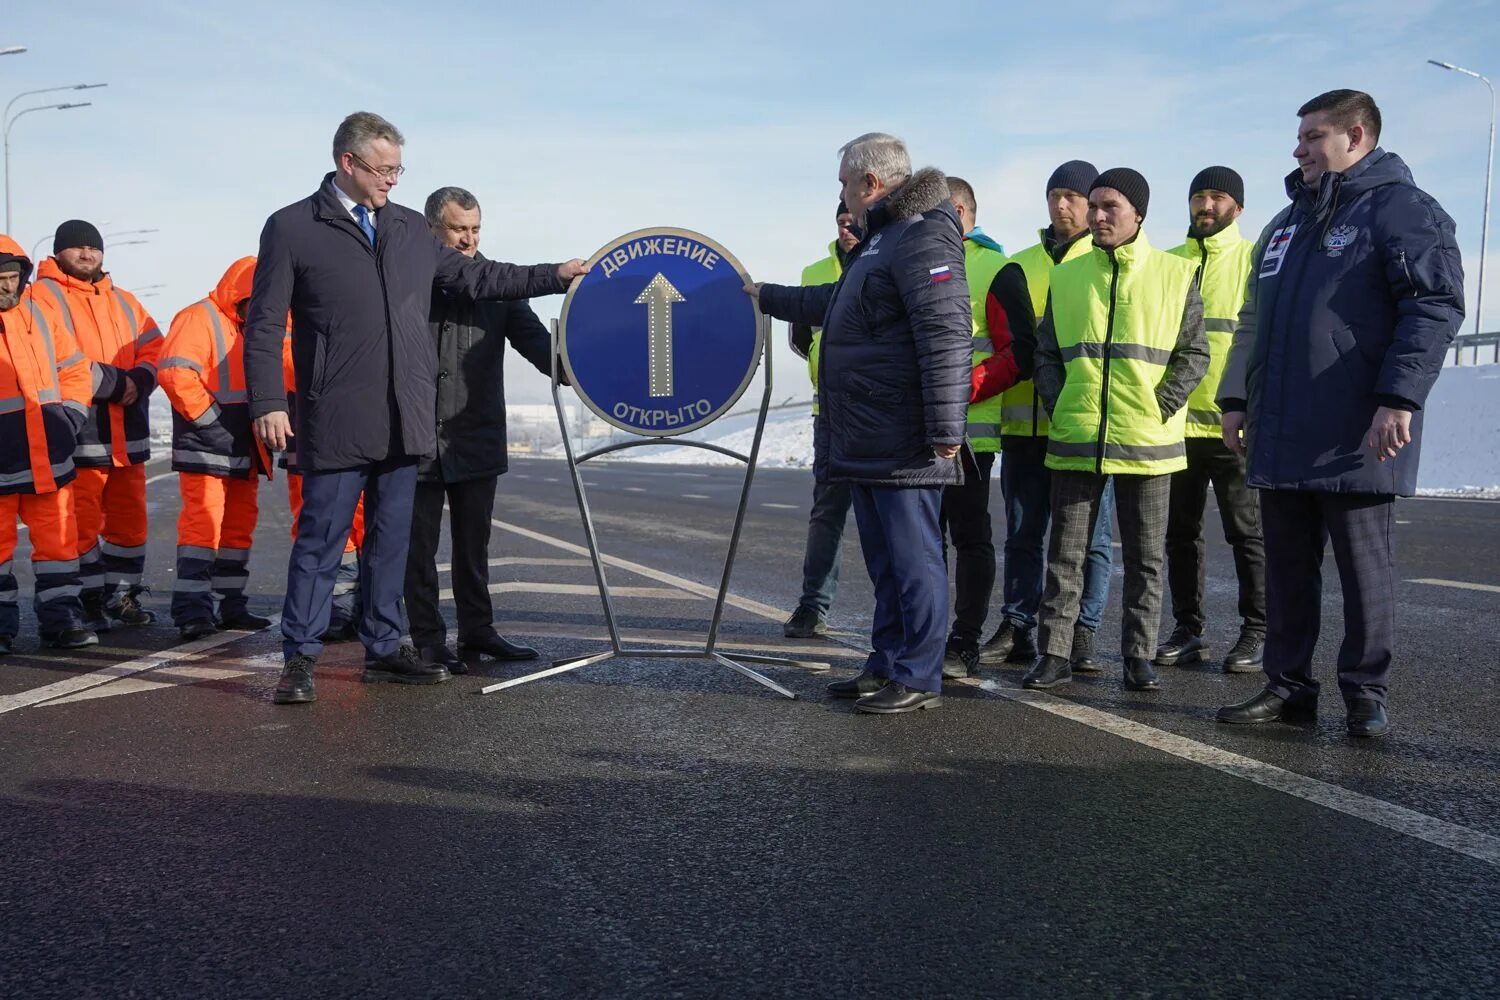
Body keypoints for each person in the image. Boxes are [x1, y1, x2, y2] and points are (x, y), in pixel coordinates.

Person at [243, 111, 587, 706]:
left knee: (391, 542)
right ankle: (299, 658)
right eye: (384, 169)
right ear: (347, 163)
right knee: (321, 540)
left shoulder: (407, 230)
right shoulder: (293, 227)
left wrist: (553, 274)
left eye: (400, 169)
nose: (393, 181)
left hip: (407, 417)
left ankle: (384, 650)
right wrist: (270, 401)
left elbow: (481, 278)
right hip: (339, 413)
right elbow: (265, 322)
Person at [1216, 90, 1464, 738]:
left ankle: (1365, 694)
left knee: (1364, 575)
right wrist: (1237, 398)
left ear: (1356, 135)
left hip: (1357, 430)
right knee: (1288, 573)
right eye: (1298, 137)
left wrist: (1399, 398)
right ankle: (1288, 686)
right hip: (1282, 427)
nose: (1298, 149)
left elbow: (1432, 306)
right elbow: (1253, 322)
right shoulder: (1285, 225)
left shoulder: (1404, 211)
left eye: (1312, 136)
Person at [751, 132, 971, 715]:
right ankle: (886, 663)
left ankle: (919, 675)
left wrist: (947, 427)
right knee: (885, 563)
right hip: (868, 434)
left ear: (871, 183)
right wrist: (764, 295)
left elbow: (946, 332)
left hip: (904, 437)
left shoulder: (923, 232)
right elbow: (834, 302)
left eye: (845, 184)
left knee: (914, 559)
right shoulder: (882, 241)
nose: (843, 196)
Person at [1025, 168, 1209, 693]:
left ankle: (1138, 656)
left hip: (1149, 441)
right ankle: (1054, 653)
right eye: (1096, 205)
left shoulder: (1176, 274)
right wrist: (1061, 402)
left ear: (1139, 214)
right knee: (1064, 555)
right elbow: (1046, 352)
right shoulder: (1066, 275)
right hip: (1077, 434)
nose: (1100, 215)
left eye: (1112, 207)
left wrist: (1161, 404)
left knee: (1146, 559)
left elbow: (1194, 352)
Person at [403, 185, 554, 672]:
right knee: (416, 549)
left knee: (474, 545)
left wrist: (586, 372)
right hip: (415, 436)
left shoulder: (500, 286)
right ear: (432, 229)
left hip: (476, 434)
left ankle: (478, 631)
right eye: (457, 229)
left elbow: (540, 346)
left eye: (474, 230)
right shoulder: (407, 279)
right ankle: (427, 639)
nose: (468, 240)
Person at [979, 161, 1116, 675]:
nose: (1062, 206)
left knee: (1091, 538)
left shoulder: (1106, 262)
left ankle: (1082, 631)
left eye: (1072, 197)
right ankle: (1017, 625)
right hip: (1023, 426)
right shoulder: (1015, 265)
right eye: (1054, 195)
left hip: (1080, 425)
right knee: (1021, 531)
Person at [1156, 167, 1266, 673]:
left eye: (1217, 197)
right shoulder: (1168, 263)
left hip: (1233, 427)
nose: (1206, 205)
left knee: (1246, 533)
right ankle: (1188, 628)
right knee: (1180, 534)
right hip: (1174, 427)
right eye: (1198, 195)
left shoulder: (1253, 258)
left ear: (1237, 208)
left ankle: (1257, 629)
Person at [33, 220, 161, 631]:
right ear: (58, 253)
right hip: (78, 430)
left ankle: (119, 594)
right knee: (80, 521)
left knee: (130, 521)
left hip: (128, 435)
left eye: (93, 247)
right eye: (77, 247)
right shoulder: (41, 298)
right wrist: (117, 383)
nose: (87, 254)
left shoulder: (125, 301)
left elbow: (156, 347)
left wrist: (141, 378)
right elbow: (51, 357)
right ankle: (87, 598)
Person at [157, 257, 274, 640]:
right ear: (242, 293)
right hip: (208, 444)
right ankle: (193, 612)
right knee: (202, 527)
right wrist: (211, 420)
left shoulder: (249, 324)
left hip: (243, 443)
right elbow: (175, 373)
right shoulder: (198, 318)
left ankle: (231, 606)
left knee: (238, 530)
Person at [939, 176, 1026, 678]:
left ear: (960, 210)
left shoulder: (996, 269)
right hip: (917, 430)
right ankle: (920, 637)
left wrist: (961, 389)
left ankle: (964, 640)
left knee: (970, 536)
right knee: (922, 541)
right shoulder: (915, 264)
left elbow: (1018, 352)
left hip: (972, 434)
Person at [0, 235, 96, 652]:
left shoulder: (40, 315)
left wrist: (70, 417)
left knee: (58, 545)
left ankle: (62, 621)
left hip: (49, 456)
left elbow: (75, 368)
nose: (8, 287)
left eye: (13, 277)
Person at [782, 202, 859, 640]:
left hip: (874, 411)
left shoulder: (884, 260)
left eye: (854, 222)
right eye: (841, 223)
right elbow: (799, 337)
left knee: (880, 516)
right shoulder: (815, 271)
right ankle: (813, 605)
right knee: (827, 512)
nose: (847, 229)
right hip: (827, 411)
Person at [281, 331, 364, 642]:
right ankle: (336, 608)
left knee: (364, 526)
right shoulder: (292, 321)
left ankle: (358, 607)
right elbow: (294, 369)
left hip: (358, 438)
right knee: (325, 531)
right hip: (315, 445)